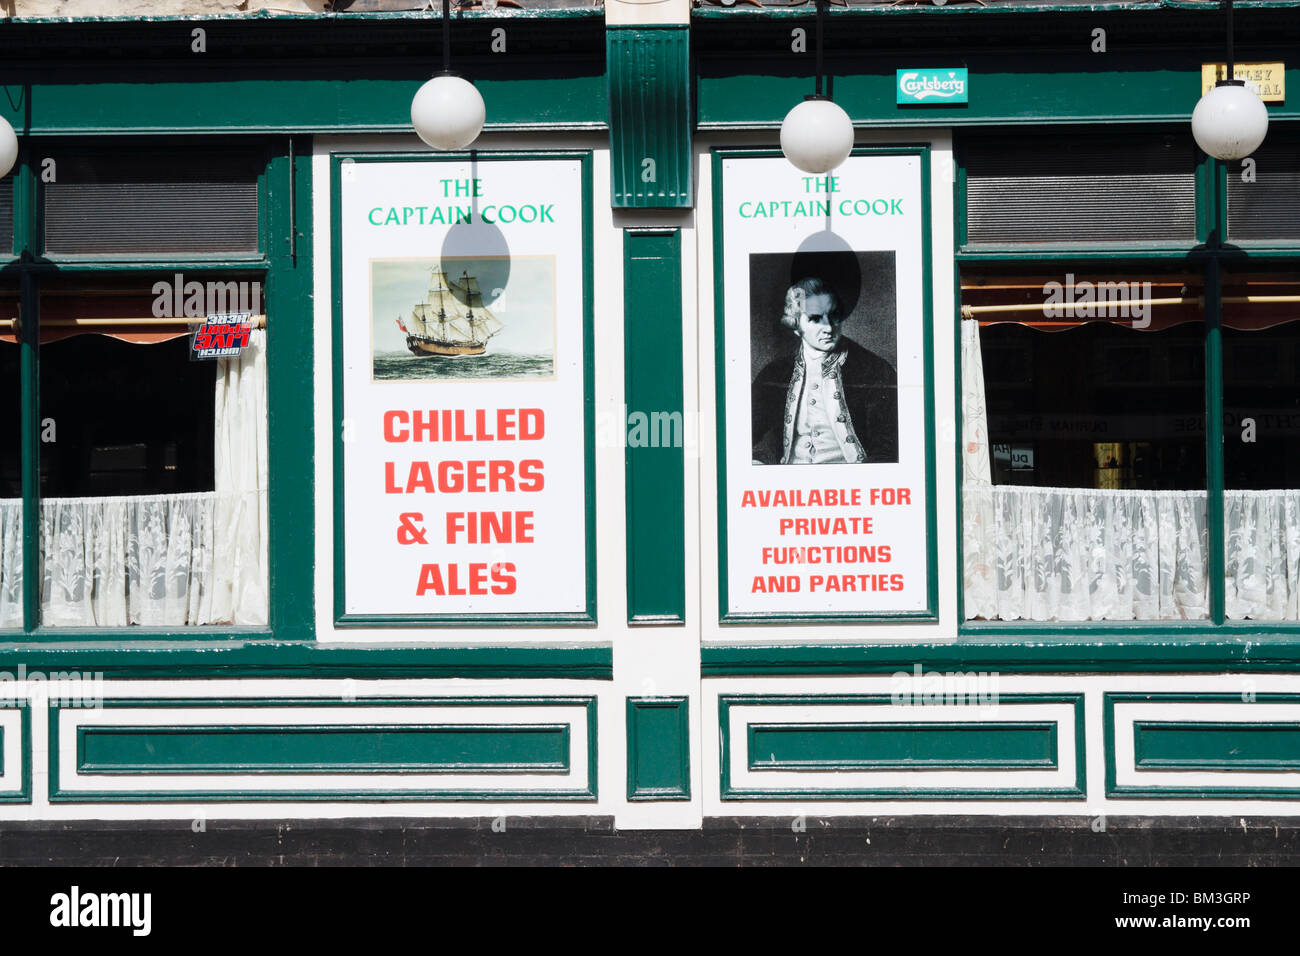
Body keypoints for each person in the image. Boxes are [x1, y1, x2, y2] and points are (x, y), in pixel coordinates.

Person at [751, 277, 898, 465]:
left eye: (834, 316)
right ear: (796, 325)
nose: (828, 327)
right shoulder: (774, 373)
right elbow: (746, 435)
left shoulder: (874, 371)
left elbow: (888, 448)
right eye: (815, 319)